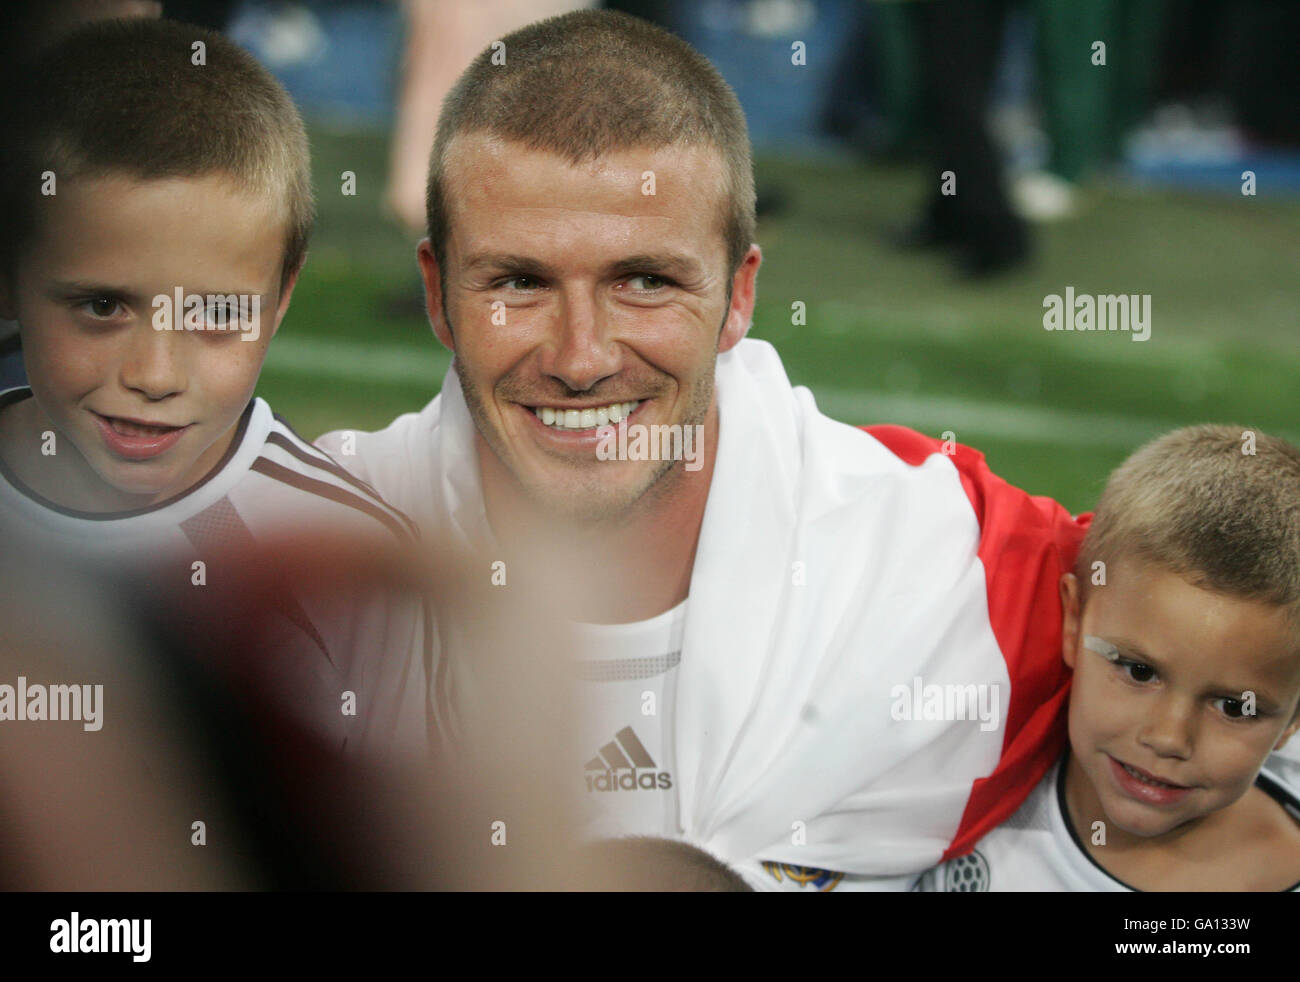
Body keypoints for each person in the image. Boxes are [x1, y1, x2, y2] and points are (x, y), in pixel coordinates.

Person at [317, 9, 1087, 890]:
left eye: (646, 281)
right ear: (436, 292)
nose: (581, 359)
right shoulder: (290, 563)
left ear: (739, 294)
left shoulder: (953, 565)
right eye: (518, 282)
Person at [0, 18, 425, 757]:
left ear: (283, 294)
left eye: (217, 314)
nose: (155, 375)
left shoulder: (344, 559)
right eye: (102, 306)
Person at [917, 425, 1300, 891]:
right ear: (1075, 619)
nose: (1168, 737)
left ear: (1294, 716)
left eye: (1235, 708)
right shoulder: (946, 778)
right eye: (1139, 671)